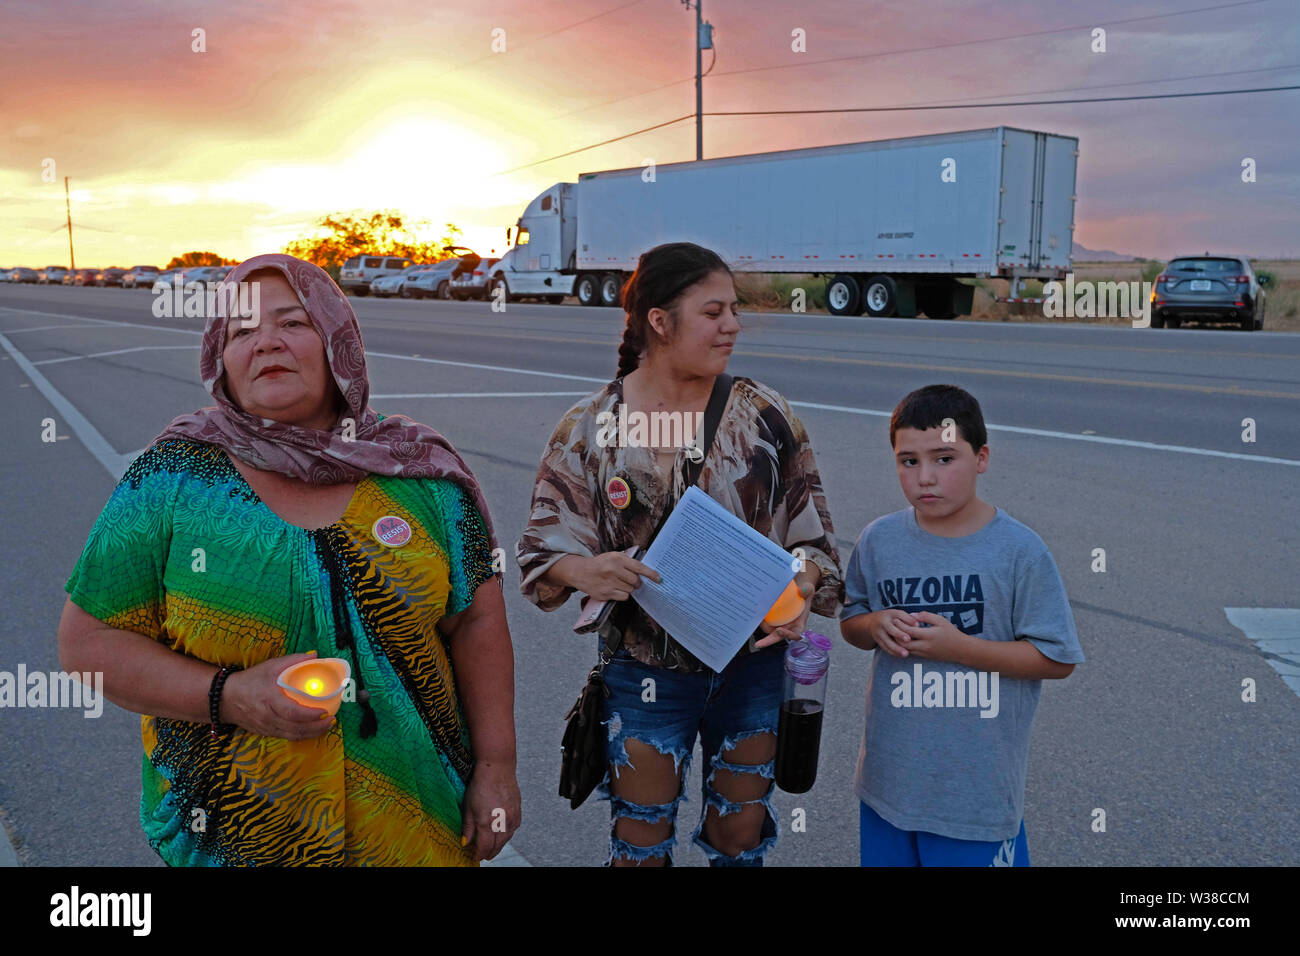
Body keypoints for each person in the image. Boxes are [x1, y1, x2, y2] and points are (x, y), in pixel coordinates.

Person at [57, 253, 520, 866]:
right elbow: (88, 643)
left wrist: (496, 769)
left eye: (293, 323)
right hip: (235, 834)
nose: (266, 342)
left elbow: (477, 623)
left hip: (415, 826)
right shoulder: (170, 477)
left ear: (338, 342)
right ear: (219, 359)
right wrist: (230, 695)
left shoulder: (423, 475)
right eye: (242, 332)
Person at [517, 241, 843, 866]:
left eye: (734, 310)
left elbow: (816, 545)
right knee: (639, 843)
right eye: (713, 311)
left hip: (752, 671)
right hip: (644, 676)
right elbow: (538, 553)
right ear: (659, 322)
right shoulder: (591, 425)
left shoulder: (765, 416)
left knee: (739, 839)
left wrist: (800, 585)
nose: (733, 325)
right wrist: (588, 568)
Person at [840, 384, 1084, 866]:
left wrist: (958, 647)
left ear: (982, 458)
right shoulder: (879, 540)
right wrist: (875, 625)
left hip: (975, 798)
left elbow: (1056, 658)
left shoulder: (1018, 551)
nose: (925, 478)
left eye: (944, 459)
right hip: (889, 787)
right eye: (908, 461)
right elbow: (852, 621)